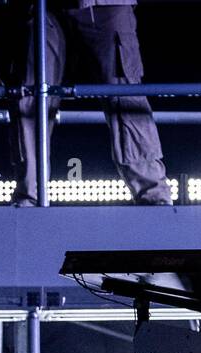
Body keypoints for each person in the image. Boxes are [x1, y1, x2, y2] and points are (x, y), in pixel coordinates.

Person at [11, 0, 171, 206]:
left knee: (124, 94)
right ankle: (28, 195)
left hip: (106, 4)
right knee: (31, 96)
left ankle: (153, 194)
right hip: (45, 7)